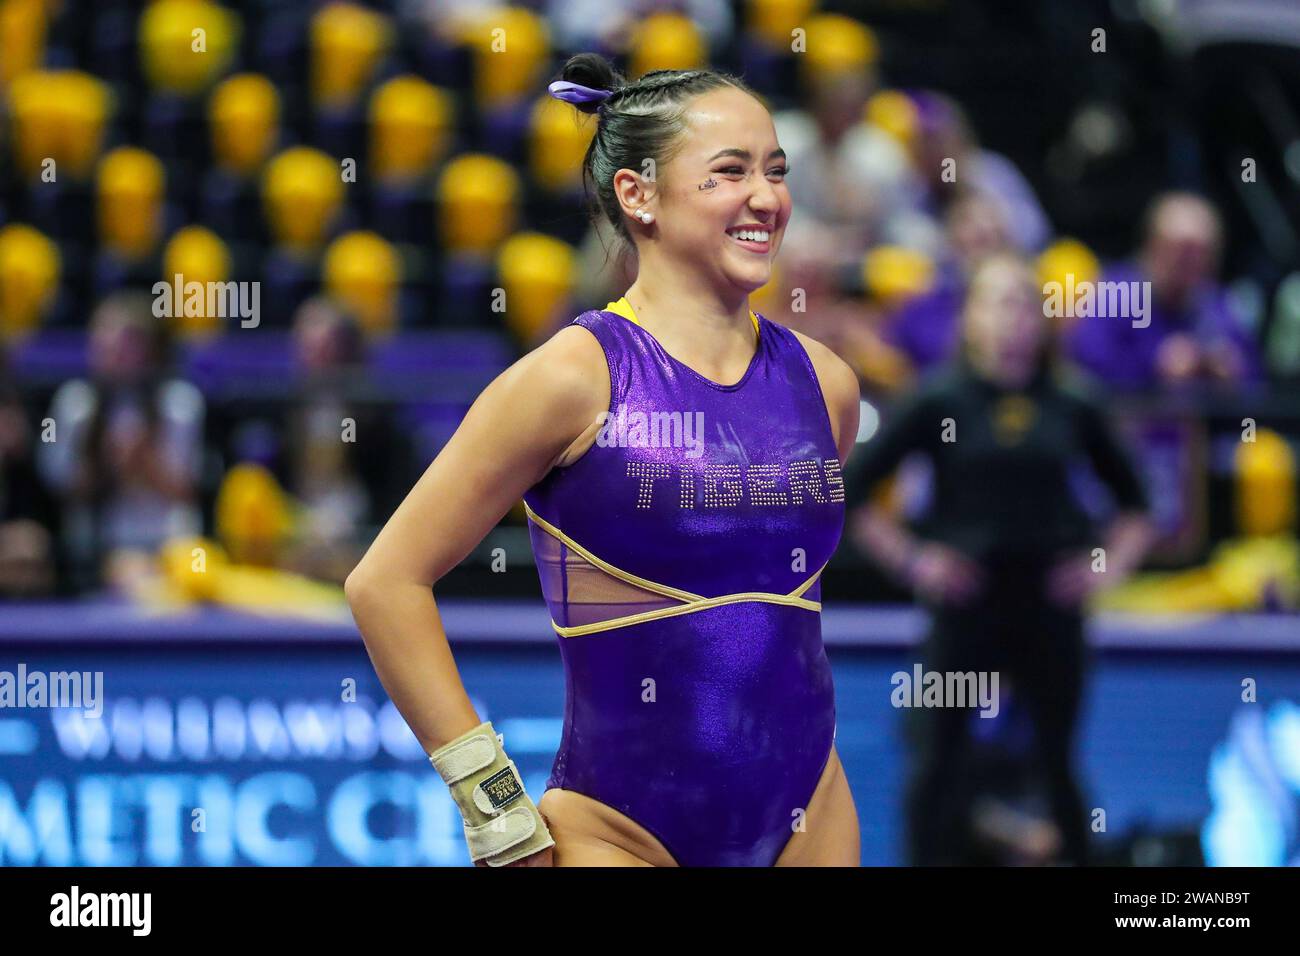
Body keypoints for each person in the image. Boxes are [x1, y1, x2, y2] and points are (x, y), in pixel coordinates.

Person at [346, 52, 862, 867]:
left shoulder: (825, 384)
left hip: (810, 815)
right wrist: (494, 809)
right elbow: (384, 582)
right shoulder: (573, 377)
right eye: (728, 173)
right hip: (619, 830)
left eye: (775, 171)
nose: (765, 197)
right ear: (639, 194)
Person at [844, 253, 1155, 865]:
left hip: (1048, 607)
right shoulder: (939, 398)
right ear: (973, 317)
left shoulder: (1072, 401)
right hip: (966, 608)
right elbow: (851, 490)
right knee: (936, 762)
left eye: (1025, 303)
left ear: (1042, 321)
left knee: (1059, 761)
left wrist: (1102, 567)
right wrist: (914, 561)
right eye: (997, 302)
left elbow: (1138, 507)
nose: (1012, 318)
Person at [1067, 192, 1262, 389]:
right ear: (1152, 245)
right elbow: (1083, 372)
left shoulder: (1218, 305)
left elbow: (1258, 383)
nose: (1194, 261)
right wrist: (1153, 365)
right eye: (1184, 250)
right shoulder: (1114, 297)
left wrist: (1232, 372)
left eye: (1204, 251)